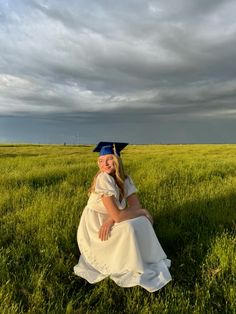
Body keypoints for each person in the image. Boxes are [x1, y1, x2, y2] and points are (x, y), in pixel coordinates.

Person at [74, 142, 171, 292]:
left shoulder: (125, 179)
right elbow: (124, 214)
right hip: (95, 226)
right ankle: (129, 263)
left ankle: (146, 260)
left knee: (143, 222)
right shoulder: (103, 178)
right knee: (130, 227)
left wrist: (133, 213)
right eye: (101, 160)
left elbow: (134, 206)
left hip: (110, 219)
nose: (104, 164)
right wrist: (141, 211)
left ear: (117, 159)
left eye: (109, 159)